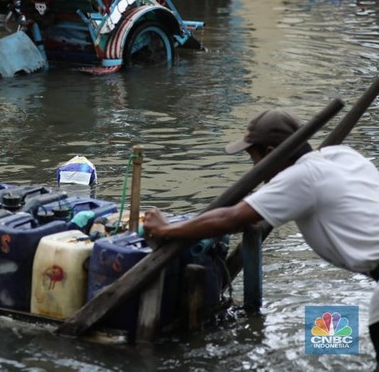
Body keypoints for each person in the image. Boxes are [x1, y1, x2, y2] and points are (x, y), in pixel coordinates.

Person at [142, 108, 379, 361]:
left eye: (253, 158)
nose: (254, 168)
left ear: (269, 154)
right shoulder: (341, 156)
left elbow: (229, 219)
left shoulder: (302, 177)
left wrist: (165, 228)